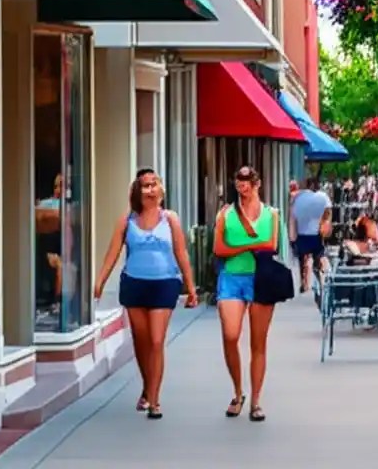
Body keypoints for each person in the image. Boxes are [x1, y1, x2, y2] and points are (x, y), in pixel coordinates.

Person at [93, 168, 198, 419]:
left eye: (154, 184)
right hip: (134, 284)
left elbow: (181, 252)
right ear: (137, 191)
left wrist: (191, 287)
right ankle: (147, 387)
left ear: (161, 189)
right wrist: (99, 281)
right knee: (141, 343)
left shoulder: (170, 218)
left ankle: (155, 400)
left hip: (164, 284)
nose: (150, 189)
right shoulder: (127, 220)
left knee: (156, 341)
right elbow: (113, 252)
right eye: (145, 185)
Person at [212, 166, 281, 423]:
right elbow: (219, 248)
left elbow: (271, 245)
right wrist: (252, 245)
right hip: (231, 278)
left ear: (257, 184)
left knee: (258, 342)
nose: (243, 188)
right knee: (230, 335)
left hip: (261, 278)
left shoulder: (271, 214)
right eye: (239, 184)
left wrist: (238, 247)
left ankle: (256, 400)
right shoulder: (226, 214)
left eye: (247, 184)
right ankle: (238, 391)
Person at [288, 177, 332, 295]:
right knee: (319, 257)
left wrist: (292, 237)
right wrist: (324, 226)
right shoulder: (322, 197)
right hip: (316, 234)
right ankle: (322, 280)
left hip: (302, 234)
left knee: (303, 260)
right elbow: (328, 213)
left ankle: (304, 283)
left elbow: (293, 218)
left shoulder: (297, 198)